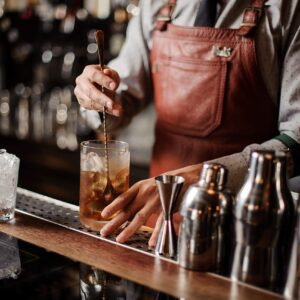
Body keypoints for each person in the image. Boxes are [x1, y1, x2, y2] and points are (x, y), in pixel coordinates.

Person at [75, 0, 300, 246]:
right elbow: (122, 98)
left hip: (245, 235)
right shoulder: (156, 4)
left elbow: (296, 141)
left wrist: (203, 180)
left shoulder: (288, 8)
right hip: (157, 229)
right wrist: (98, 97)